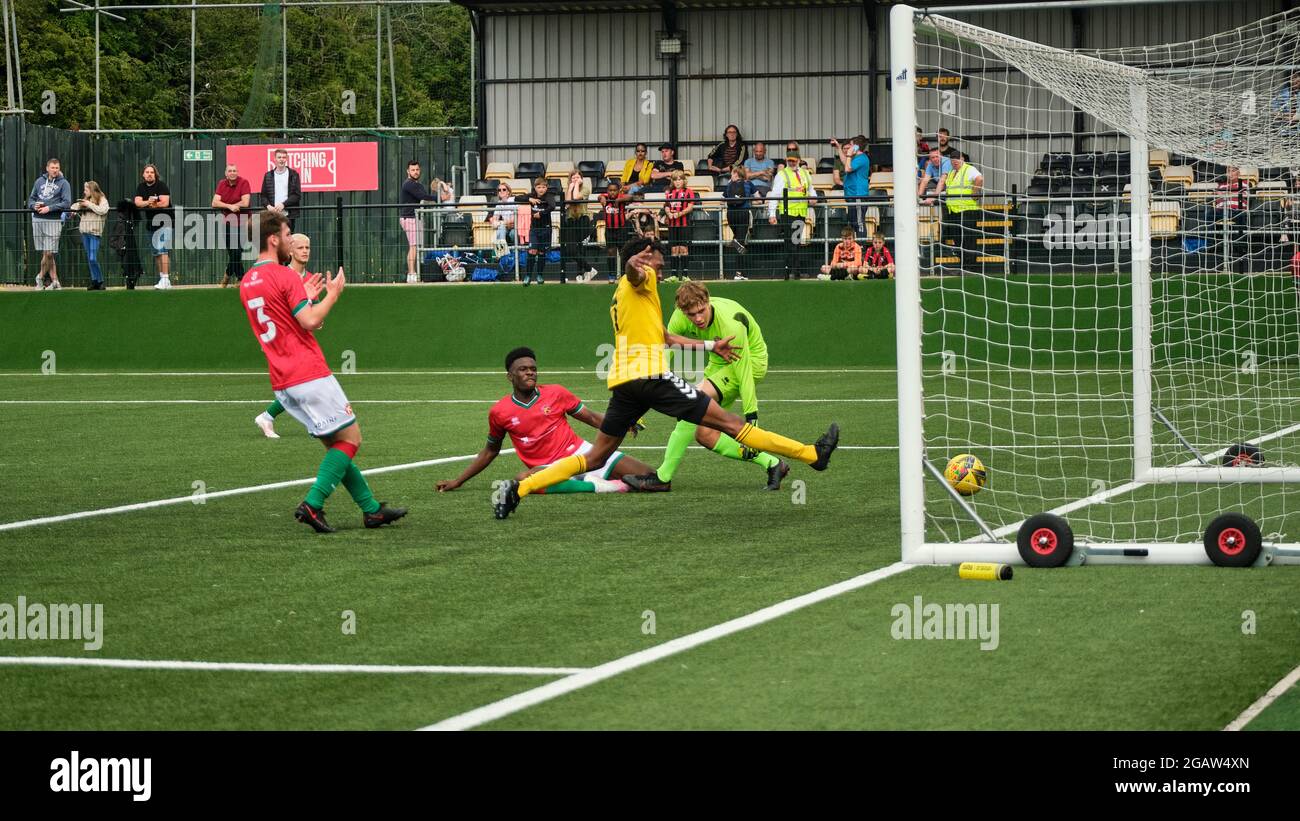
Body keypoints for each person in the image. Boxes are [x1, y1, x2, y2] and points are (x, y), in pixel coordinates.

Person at [491, 237, 839, 520]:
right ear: (644, 260)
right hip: (651, 376)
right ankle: (811, 454)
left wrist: (710, 346)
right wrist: (634, 264)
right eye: (657, 257)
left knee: (596, 457)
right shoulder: (640, 279)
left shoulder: (625, 297)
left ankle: (517, 491)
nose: (662, 262)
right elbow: (632, 271)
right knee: (730, 423)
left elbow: (665, 337)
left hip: (626, 383)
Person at [239, 213, 406, 532]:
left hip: (282, 380)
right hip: (307, 372)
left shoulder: (247, 282)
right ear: (273, 239)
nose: (291, 241)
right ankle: (313, 504)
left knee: (336, 445)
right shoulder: (284, 275)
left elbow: (280, 318)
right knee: (351, 439)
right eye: (287, 235)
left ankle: (371, 510)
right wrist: (332, 294)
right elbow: (310, 321)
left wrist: (305, 296)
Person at [437, 347, 658, 495]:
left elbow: (590, 417)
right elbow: (489, 451)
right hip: (547, 466)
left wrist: (622, 422)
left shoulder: (556, 392)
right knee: (523, 479)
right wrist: (458, 481)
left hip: (585, 454)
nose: (530, 373)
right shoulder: (499, 411)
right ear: (510, 376)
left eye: (533, 369)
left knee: (650, 477)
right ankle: (604, 487)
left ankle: (585, 478)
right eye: (523, 370)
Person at [634, 281, 788, 491]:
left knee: (690, 404)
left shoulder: (730, 323)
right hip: (718, 362)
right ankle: (773, 464)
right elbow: (663, 357)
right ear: (682, 311)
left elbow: (743, 372)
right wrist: (639, 404)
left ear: (708, 301)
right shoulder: (680, 316)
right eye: (691, 314)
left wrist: (752, 418)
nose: (697, 318)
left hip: (751, 363)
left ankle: (663, 477)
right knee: (704, 434)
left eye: (701, 311)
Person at [254, 232, 317, 439]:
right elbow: (274, 311)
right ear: (289, 250)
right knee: (304, 384)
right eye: (300, 247)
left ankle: (267, 416)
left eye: (307, 247)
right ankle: (313, 424)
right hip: (280, 339)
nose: (305, 251)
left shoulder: (310, 278)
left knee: (302, 385)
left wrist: (316, 316)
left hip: (301, 340)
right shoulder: (280, 275)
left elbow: (312, 315)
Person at [767, 145, 815, 279]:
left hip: (801, 213)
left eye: (794, 160)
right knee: (790, 243)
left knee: (796, 242)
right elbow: (775, 195)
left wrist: (813, 197)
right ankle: (790, 271)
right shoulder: (782, 175)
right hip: (788, 213)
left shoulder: (805, 173)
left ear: (799, 160)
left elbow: (810, 189)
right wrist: (772, 214)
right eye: (789, 160)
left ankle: (794, 271)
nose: (792, 163)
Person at [932, 153, 983, 271]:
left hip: (967, 210)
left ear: (962, 159)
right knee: (957, 239)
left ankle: (971, 267)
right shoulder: (951, 173)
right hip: (953, 211)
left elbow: (979, 179)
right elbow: (945, 185)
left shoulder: (969, 169)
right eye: (952, 160)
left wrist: (975, 194)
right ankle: (964, 265)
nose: (955, 162)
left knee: (968, 240)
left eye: (957, 159)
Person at [399, 160, 447, 284]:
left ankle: (417, 274)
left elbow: (423, 197)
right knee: (413, 246)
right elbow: (423, 197)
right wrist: (440, 198)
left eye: (417, 170)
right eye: (413, 170)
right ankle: (411, 274)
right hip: (409, 218)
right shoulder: (409, 184)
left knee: (417, 246)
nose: (415, 172)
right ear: (408, 171)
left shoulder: (416, 184)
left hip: (416, 217)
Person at [28, 158, 71, 290]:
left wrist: (49, 208)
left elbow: (67, 203)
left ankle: (40, 277)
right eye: (52, 168)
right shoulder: (39, 181)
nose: (55, 170)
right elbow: (31, 198)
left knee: (50, 253)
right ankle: (55, 281)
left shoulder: (64, 183)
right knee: (45, 252)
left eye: (57, 168)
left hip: (53, 220)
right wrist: (33, 206)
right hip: (37, 219)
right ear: (47, 168)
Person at [134, 164, 174, 289]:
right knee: (156, 252)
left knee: (163, 250)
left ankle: (165, 278)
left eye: (152, 172)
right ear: (143, 174)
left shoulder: (161, 185)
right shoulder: (141, 187)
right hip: (151, 224)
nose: (149, 174)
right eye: (147, 172)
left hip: (165, 222)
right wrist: (148, 203)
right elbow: (137, 202)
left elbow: (165, 202)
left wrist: (153, 205)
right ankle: (163, 279)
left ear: (155, 174)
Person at [213, 163, 252, 287]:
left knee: (237, 250)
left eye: (235, 170)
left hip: (243, 222)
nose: (233, 173)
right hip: (228, 222)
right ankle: (240, 278)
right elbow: (214, 202)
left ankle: (227, 276)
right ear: (226, 173)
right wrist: (230, 206)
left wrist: (228, 205)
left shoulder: (244, 182)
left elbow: (245, 202)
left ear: (237, 172)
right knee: (233, 252)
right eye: (230, 171)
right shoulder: (222, 184)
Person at [69, 181, 110, 290]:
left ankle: (100, 280)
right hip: (85, 233)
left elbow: (103, 210)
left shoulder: (102, 200)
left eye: (86, 190)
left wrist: (89, 205)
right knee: (89, 257)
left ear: (92, 190)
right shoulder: (85, 201)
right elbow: (75, 205)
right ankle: (94, 281)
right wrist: (73, 211)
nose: (84, 191)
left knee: (93, 258)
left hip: (95, 233)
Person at [560, 169, 595, 284]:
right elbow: (568, 202)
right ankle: (590, 269)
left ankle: (581, 273)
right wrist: (570, 188)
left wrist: (576, 185)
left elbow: (576, 197)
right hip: (570, 221)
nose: (575, 180)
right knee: (570, 249)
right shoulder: (568, 189)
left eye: (577, 177)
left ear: (581, 178)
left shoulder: (585, 189)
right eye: (573, 178)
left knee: (580, 247)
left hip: (582, 220)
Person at [663, 170, 698, 279]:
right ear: (672, 182)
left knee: (683, 249)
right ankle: (673, 275)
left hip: (684, 225)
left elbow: (690, 206)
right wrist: (669, 213)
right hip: (672, 225)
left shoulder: (689, 192)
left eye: (680, 179)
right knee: (674, 249)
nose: (677, 182)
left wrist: (679, 214)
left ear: (684, 180)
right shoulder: (669, 193)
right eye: (675, 180)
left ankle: (685, 275)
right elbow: (666, 206)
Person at [834, 135, 871, 235]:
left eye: (850, 145)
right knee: (853, 222)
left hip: (858, 195)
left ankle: (862, 245)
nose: (848, 148)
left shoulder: (861, 158)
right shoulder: (855, 158)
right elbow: (845, 163)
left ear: (856, 147)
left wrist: (849, 155)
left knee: (859, 222)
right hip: (851, 195)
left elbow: (847, 168)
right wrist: (839, 148)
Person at [260, 148, 302, 229]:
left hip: (288, 215)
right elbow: (263, 196)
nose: (281, 160)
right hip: (272, 215)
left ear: (287, 159)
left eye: (284, 157)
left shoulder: (293, 174)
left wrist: (283, 204)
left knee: (288, 239)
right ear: (274, 159)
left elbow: (297, 195)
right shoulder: (268, 175)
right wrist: (268, 206)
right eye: (279, 157)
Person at [599, 179, 632, 283]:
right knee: (610, 252)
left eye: (614, 190)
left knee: (623, 252)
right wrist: (602, 197)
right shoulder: (605, 198)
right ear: (607, 191)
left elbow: (631, 197)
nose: (612, 192)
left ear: (618, 191)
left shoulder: (621, 198)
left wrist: (619, 200)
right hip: (609, 230)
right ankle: (611, 275)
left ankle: (624, 275)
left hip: (621, 229)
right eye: (610, 190)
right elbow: (599, 196)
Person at [524, 177, 554, 286]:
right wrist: (529, 199)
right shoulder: (532, 195)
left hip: (546, 229)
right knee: (532, 251)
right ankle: (528, 276)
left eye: (543, 187)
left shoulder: (549, 196)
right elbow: (517, 197)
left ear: (547, 188)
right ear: (535, 188)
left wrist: (541, 214)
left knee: (542, 252)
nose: (541, 189)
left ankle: (540, 275)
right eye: (539, 187)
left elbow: (552, 206)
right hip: (534, 230)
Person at [109, 199, 144, 290]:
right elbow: (112, 240)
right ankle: (130, 281)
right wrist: (121, 246)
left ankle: (131, 281)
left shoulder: (128, 222)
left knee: (132, 266)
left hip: (131, 248)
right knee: (128, 266)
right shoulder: (121, 222)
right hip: (125, 250)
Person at [723, 165, 752, 253]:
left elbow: (722, 198)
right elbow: (758, 198)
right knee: (740, 240)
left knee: (737, 237)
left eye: (731, 174)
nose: (731, 176)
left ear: (736, 174)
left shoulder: (729, 185)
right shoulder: (748, 183)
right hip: (743, 213)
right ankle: (740, 264)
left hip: (731, 214)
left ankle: (735, 247)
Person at [489, 182, 517, 256]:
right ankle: (503, 255)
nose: (501, 191)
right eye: (499, 190)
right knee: (500, 229)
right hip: (506, 226)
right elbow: (495, 219)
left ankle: (512, 254)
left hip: (516, 226)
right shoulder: (499, 203)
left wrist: (499, 223)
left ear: (508, 192)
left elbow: (512, 221)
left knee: (512, 233)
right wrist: (493, 220)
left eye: (504, 189)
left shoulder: (513, 200)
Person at [1272, 71, 1300, 136]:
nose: (1297, 84)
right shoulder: (1282, 94)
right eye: (1295, 82)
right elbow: (1274, 113)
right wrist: (1288, 117)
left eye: (1298, 82)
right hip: (1285, 132)